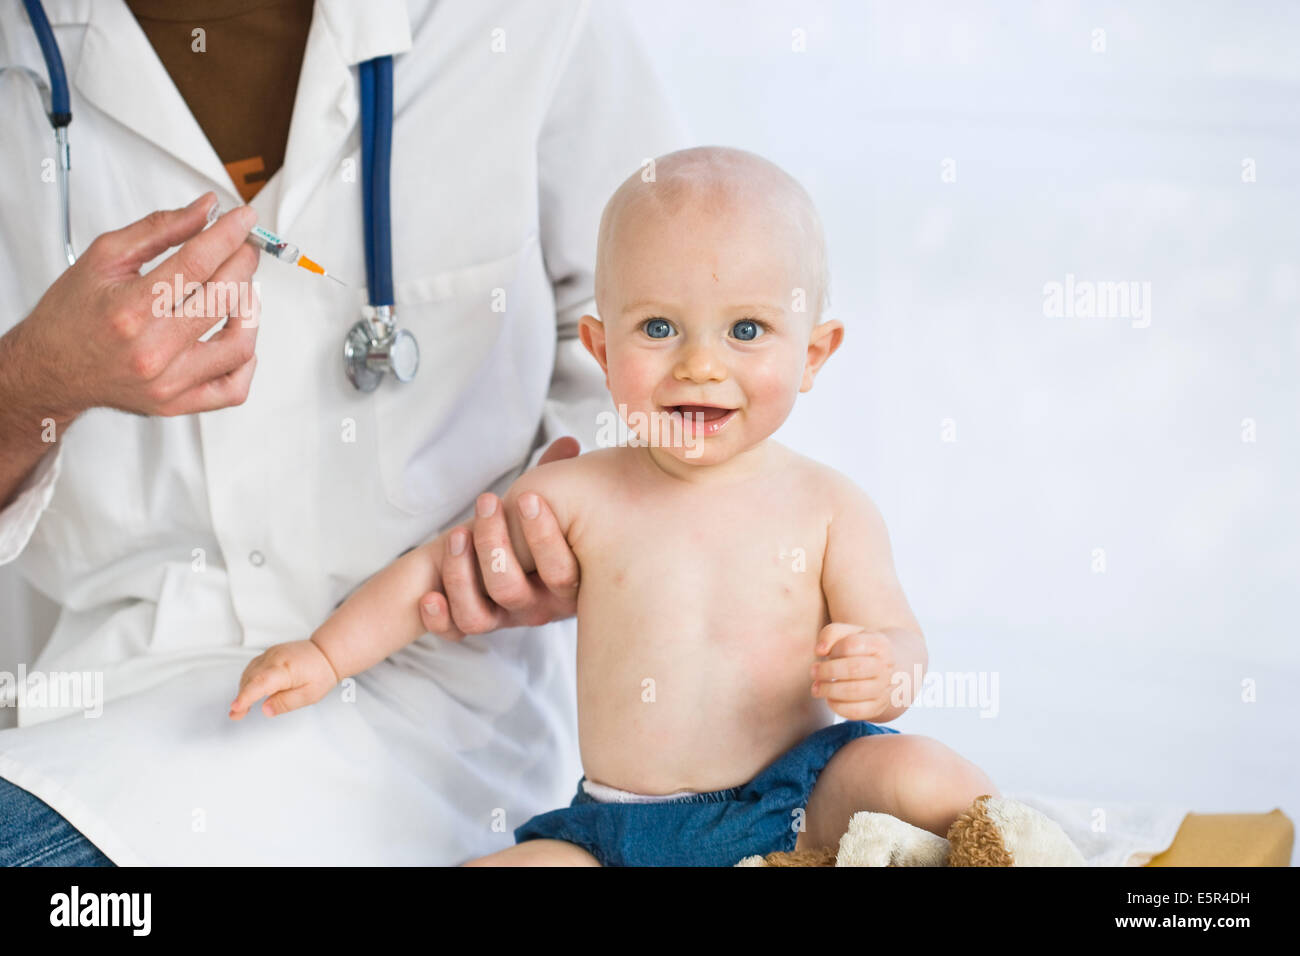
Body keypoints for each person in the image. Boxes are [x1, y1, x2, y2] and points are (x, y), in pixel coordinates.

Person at [0, 0, 688, 865]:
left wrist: (575, 538)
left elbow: (671, 347)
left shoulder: (532, 22)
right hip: (98, 705)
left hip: (436, 704)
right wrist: (32, 382)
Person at [228, 146, 1004, 866]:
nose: (700, 365)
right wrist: (327, 656)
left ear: (813, 354)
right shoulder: (577, 495)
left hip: (794, 804)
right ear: (601, 350)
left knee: (915, 771)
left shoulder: (830, 508)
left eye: (746, 330)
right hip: (615, 829)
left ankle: (1017, 847)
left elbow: (897, 636)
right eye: (659, 328)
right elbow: (434, 569)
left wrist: (885, 671)